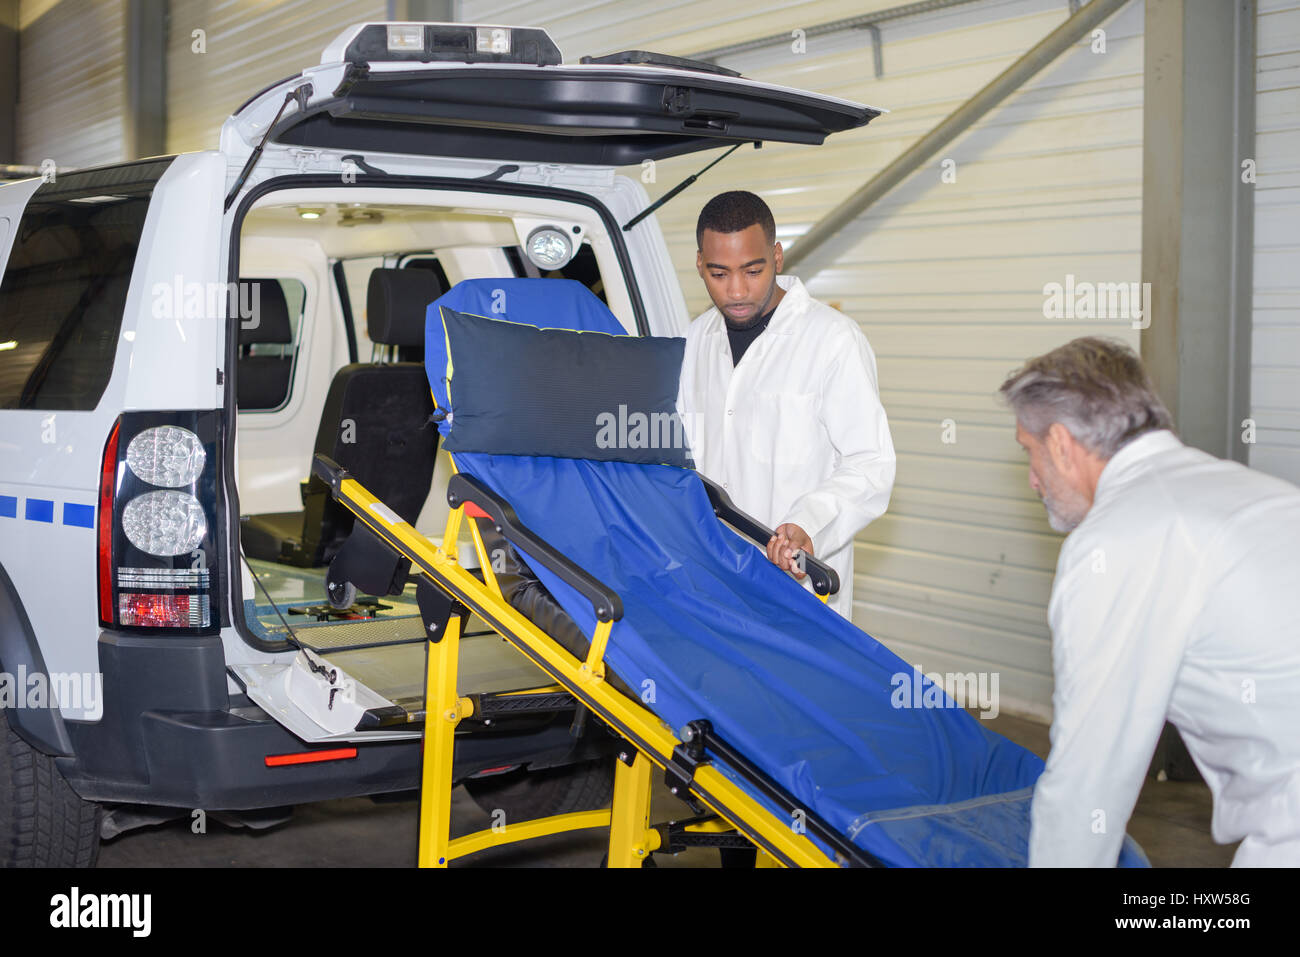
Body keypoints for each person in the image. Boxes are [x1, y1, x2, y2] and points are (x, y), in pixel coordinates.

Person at [1000, 336, 1300, 867]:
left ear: (1062, 445)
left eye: (1030, 450)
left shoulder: (1117, 540)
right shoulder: (1261, 495)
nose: (1032, 480)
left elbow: (1089, 776)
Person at [678, 190, 895, 620]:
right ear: (700, 264)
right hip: (712, 583)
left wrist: (808, 526)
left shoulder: (832, 341)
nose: (736, 291)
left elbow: (870, 464)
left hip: (796, 591)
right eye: (719, 273)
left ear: (777, 257)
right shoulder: (694, 340)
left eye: (752, 270)